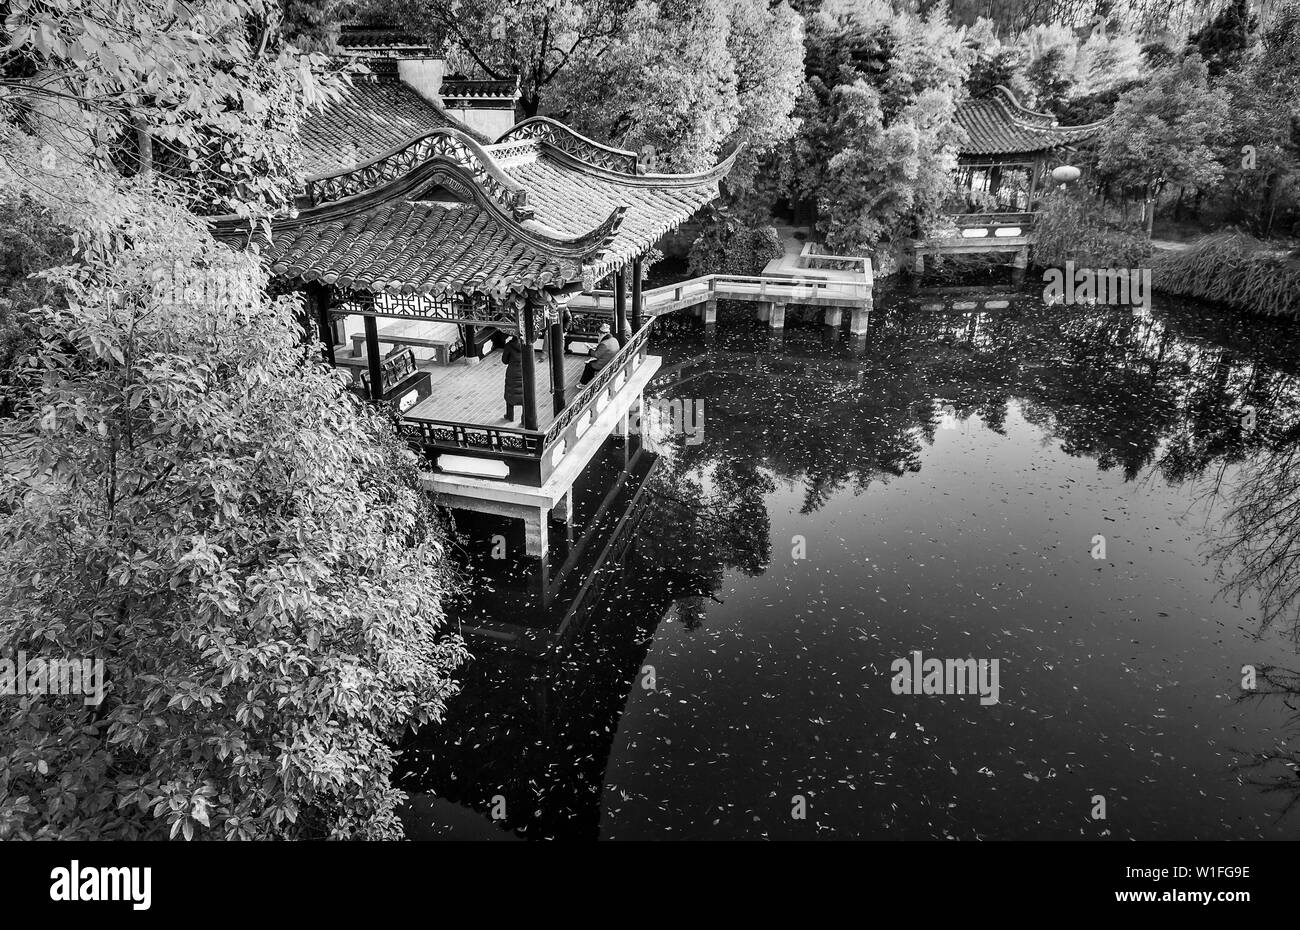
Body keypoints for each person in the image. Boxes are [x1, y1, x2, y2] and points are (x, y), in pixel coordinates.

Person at [501, 335, 525, 421]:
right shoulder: (526, 344)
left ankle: (510, 416)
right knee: (524, 394)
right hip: (524, 372)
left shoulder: (509, 345)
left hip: (512, 372)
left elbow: (504, 360)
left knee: (510, 392)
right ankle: (524, 418)